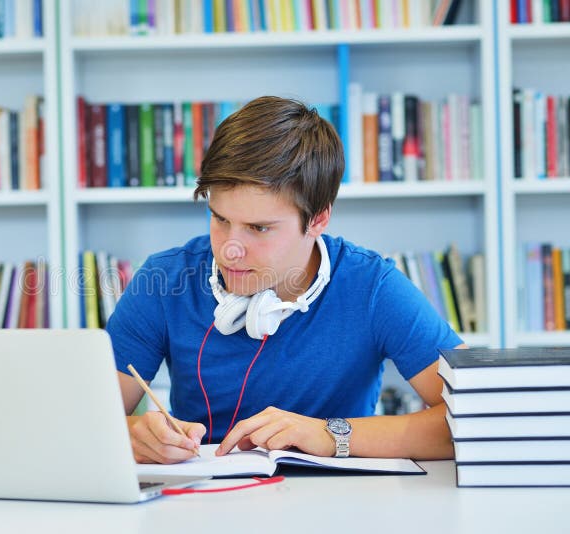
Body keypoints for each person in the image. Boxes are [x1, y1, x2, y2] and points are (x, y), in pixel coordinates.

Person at [105, 95, 466, 465]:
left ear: (318, 220)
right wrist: (130, 436)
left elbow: (477, 416)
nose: (230, 249)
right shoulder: (164, 279)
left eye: (259, 228)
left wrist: (330, 434)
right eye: (220, 219)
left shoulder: (372, 287)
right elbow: (83, 423)